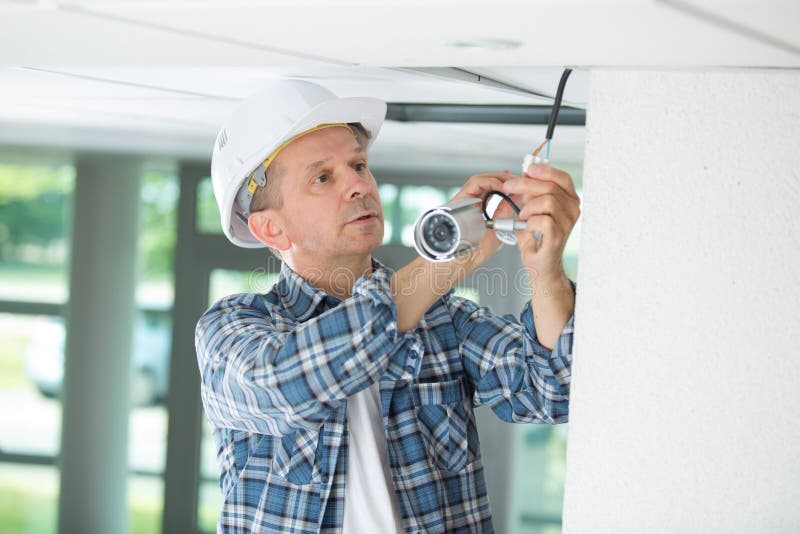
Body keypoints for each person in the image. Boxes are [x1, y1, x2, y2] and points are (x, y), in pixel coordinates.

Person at [196, 80, 579, 534]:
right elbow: (287, 383)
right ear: (271, 229)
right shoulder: (232, 331)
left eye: (358, 164)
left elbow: (555, 389)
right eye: (323, 177)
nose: (359, 184)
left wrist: (545, 269)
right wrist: (451, 255)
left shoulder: (445, 323)